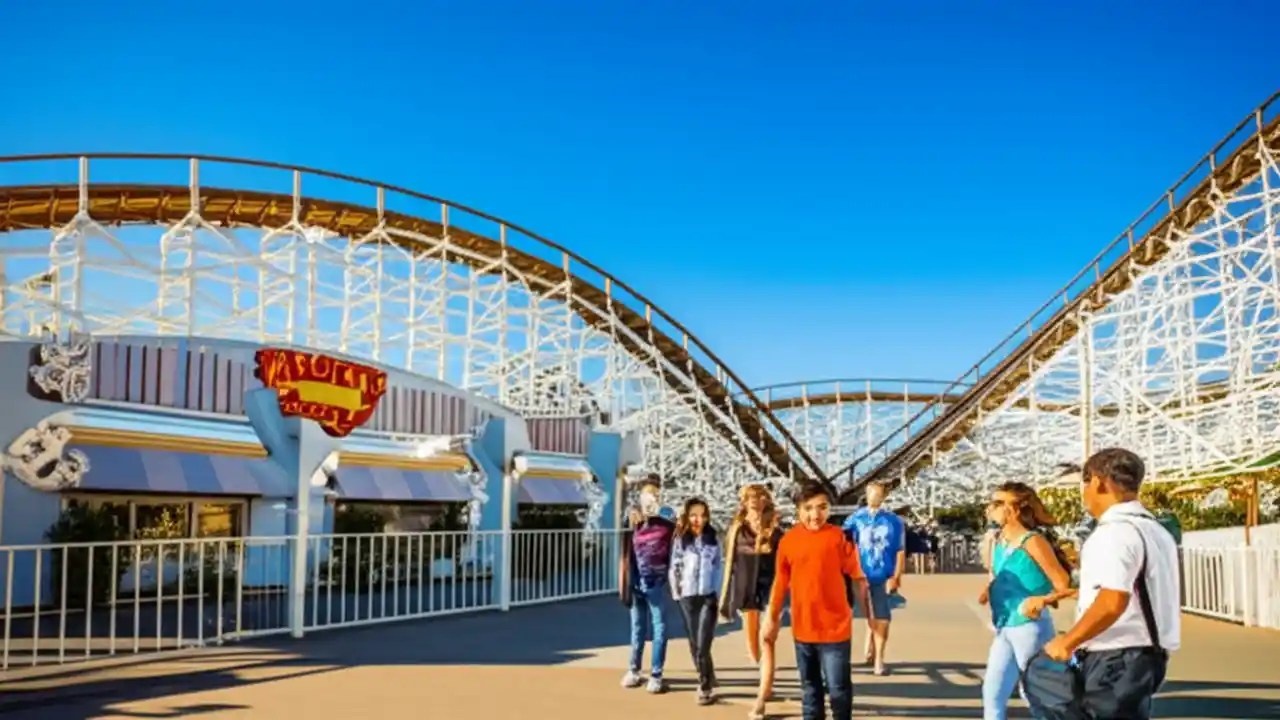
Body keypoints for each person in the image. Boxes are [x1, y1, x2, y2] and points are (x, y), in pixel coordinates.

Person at [1025, 448, 1181, 720]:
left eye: (1084, 483)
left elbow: (1112, 601)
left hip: (1115, 655)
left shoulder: (1114, 533)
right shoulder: (1155, 531)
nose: (1083, 492)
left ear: (1097, 481)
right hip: (1146, 655)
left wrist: (1068, 641)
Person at [762, 482, 865, 720]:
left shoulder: (838, 538)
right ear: (798, 510)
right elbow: (780, 582)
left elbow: (857, 575)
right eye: (808, 508)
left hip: (835, 630)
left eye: (822, 507)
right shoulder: (789, 541)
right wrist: (772, 616)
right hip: (803, 629)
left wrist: (869, 612)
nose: (815, 514)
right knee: (810, 691)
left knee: (838, 690)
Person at [978, 482, 1074, 720]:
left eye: (999, 503)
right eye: (993, 502)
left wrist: (1042, 599)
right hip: (1005, 626)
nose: (992, 508)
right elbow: (1002, 575)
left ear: (1016, 510)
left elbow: (1063, 583)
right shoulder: (999, 541)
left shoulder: (1032, 541)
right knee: (993, 692)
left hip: (1030, 627)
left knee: (1035, 693)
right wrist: (989, 589)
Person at [718, 483, 784, 719]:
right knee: (752, 635)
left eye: (759, 497)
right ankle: (760, 670)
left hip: (771, 586)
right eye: (750, 497)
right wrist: (726, 596)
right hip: (746, 585)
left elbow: (785, 559)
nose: (755, 501)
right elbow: (728, 562)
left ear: (766, 500)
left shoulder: (775, 528)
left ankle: (763, 692)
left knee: (767, 637)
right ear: (743, 502)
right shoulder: (737, 528)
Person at [841, 480, 906, 675]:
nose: (875, 498)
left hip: (882, 573)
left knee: (882, 616)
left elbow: (900, 550)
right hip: (859, 574)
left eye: (879, 495)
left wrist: (897, 575)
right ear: (867, 495)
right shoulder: (856, 519)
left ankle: (879, 658)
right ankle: (868, 644)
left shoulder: (893, 521)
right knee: (867, 614)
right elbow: (843, 542)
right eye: (872, 494)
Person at [618, 476, 676, 693]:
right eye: (647, 494)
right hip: (636, 580)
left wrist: (659, 512)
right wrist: (632, 514)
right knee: (638, 628)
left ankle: (656, 674)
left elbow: (679, 528)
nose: (651, 498)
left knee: (660, 627)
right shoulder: (634, 519)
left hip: (657, 581)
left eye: (655, 494)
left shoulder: (667, 519)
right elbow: (624, 539)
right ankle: (634, 670)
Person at [668, 497, 724, 706]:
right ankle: (708, 674)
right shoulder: (681, 539)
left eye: (702, 515)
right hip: (687, 596)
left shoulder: (713, 538)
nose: (698, 519)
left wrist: (717, 592)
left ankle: (705, 686)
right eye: (693, 514)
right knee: (694, 643)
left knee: (703, 642)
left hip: (708, 596)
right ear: (687, 516)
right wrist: (676, 591)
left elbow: (719, 566)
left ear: (707, 516)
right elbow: (674, 566)